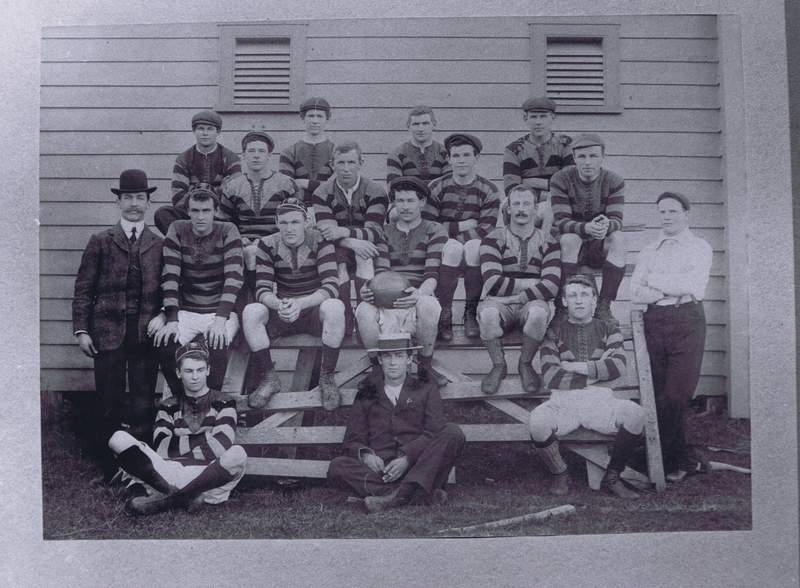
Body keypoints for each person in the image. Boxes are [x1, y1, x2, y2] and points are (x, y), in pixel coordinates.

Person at [72, 169, 165, 481]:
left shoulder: (159, 244)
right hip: (107, 333)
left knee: (142, 399)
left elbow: (169, 288)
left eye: (140, 197)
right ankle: (108, 463)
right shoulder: (100, 241)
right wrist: (82, 330)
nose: (134, 204)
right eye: (128, 198)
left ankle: (143, 463)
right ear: (118, 202)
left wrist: (164, 314)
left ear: (149, 202)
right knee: (108, 400)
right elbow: (84, 289)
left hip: (144, 336)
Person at [528, 275, 645, 498]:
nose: (579, 301)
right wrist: (596, 370)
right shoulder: (554, 333)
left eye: (584, 295)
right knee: (537, 422)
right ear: (564, 301)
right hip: (563, 401)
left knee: (636, 414)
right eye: (572, 295)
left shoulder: (608, 329)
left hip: (600, 401)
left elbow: (618, 365)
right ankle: (560, 473)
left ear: (594, 300)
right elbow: (552, 375)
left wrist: (573, 366)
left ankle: (612, 477)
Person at [327, 333, 465, 513]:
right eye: (387, 356)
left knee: (453, 432)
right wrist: (368, 456)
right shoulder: (367, 393)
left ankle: (394, 497)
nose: (393, 362)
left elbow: (434, 431)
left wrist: (407, 458)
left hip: (419, 466)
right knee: (337, 466)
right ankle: (411, 494)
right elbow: (352, 440)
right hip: (381, 472)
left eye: (399, 356)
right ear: (380, 360)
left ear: (409, 359)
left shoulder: (425, 389)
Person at [108, 340, 247, 516]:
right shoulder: (168, 405)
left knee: (237, 454)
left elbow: (221, 445)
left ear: (208, 370)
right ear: (179, 373)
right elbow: (162, 448)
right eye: (189, 371)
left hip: (207, 475)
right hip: (168, 473)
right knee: (118, 438)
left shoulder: (225, 402)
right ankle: (185, 496)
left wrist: (180, 440)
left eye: (200, 370)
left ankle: (167, 499)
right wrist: (206, 437)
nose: (195, 377)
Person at [630, 191, 712, 482]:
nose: (667, 217)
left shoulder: (699, 247)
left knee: (677, 395)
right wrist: (665, 288)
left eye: (673, 212)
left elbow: (692, 286)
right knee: (658, 394)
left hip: (686, 319)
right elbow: (634, 290)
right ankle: (675, 461)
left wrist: (654, 283)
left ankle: (662, 460)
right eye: (662, 212)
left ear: (686, 214)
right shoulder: (650, 250)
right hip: (655, 321)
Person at [242, 198, 345, 411]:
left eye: (295, 222)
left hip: (313, 309)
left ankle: (327, 378)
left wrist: (301, 303)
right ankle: (269, 378)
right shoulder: (267, 244)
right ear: (277, 223)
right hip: (284, 309)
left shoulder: (319, 241)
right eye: (284, 223)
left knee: (334, 306)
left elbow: (331, 285)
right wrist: (279, 305)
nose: (289, 228)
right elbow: (262, 289)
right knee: (252, 310)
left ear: (306, 221)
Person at [356, 176, 448, 387]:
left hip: (416, 296)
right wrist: (369, 290)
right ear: (394, 203)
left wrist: (419, 294)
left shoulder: (434, 229)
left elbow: (431, 273)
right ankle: (377, 369)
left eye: (410, 201)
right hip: (387, 298)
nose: (405, 206)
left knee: (429, 304)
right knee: (363, 309)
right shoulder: (384, 232)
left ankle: (425, 368)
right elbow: (381, 271)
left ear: (422, 202)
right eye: (400, 201)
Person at [154, 187, 244, 394]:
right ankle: (182, 401)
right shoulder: (177, 229)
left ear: (216, 211)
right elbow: (170, 276)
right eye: (195, 211)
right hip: (188, 309)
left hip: (219, 310)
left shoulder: (227, 230)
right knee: (164, 343)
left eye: (206, 211)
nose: (200, 217)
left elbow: (233, 279)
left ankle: (210, 402)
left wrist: (221, 320)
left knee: (217, 344)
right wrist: (172, 318)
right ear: (188, 211)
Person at [477, 185, 561, 395]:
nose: (521, 209)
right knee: (487, 315)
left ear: (535, 210)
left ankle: (525, 364)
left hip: (529, 304)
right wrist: (534, 283)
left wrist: (518, 296)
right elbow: (493, 282)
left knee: (539, 313)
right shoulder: (493, 238)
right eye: (516, 204)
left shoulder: (548, 241)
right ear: (508, 209)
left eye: (527, 204)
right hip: (498, 302)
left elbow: (551, 285)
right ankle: (498, 365)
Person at [426, 133, 501, 341]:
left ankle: (470, 312)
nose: (461, 160)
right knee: (452, 248)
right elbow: (428, 224)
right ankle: (445, 314)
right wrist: (459, 226)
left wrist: (452, 233)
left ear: (476, 158)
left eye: (467, 155)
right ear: (449, 159)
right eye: (456, 155)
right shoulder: (437, 186)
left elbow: (486, 227)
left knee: (474, 246)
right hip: (443, 248)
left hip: (472, 249)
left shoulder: (489, 190)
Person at [549, 133, 626, 326]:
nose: (587, 162)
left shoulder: (614, 180)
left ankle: (604, 305)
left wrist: (606, 225)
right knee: (570, 239)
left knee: (619, 239)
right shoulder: (561, 179)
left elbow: (617, 219)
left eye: (593, 156)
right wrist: (587, 228)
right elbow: (561, 221)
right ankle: (562, 307)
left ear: (602, 157)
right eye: (582, 157)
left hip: (597, 244)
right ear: (574, 158)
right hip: (569, 248)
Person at [313, 141, 389, 334]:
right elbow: (327, 231)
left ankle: (366, 316)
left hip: (369, 246)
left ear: (360, 163)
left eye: (351, 162)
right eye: (341, 163)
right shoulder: (322, 192)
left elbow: (375, 231)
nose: (346, 169)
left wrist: (345, 232)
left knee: (364, 255)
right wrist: (350, 241)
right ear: (332, 164)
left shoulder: (375, 190)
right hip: (341, 246)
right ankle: (346, 316)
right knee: (336, 260)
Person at [218, 129, 299, 298]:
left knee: (255, 253)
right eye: (251, 151)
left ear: (269, 155)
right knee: (248, 253)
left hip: (279, 243)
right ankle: (249, 306)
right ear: (243, 155)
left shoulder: (285, 184)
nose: (256, 156)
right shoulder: (233, 186)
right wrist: (238, 239)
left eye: (261, 151)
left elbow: (296, 221)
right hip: (244, 244)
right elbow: (223, 224)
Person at [154, 109, 241, 234]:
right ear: (194, 131)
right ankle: (188, 242)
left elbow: (234, 196)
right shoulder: (183, 159)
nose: (205, 133)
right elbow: (178, 199)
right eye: (201, 128)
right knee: (162, 214)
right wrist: (218, 190)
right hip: (192, 214)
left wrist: (195, 189)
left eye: (210, 129)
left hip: (219, 215)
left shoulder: (231, 158)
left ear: (218, 132)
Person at [502, 96, 573, 199]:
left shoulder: (565, 145)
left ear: (553, 117)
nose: (538, 122)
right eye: (533, 117)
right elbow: (511, 190)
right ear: (525, 118)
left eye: (543, 116)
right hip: (526, 205)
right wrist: (549, 192)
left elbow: (570, 185)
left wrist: (533, 182)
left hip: (559, 205)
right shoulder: (514, 149)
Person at [279, 97, 335, 206]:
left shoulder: (336, 152)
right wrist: (321, 185)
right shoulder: (289, 152)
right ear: (303, 118)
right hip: (298, 209)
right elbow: (288, 186)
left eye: (319, 116)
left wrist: (305, 183)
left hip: (330, 209)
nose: (315, 121)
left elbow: (337, 187)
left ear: (327, 119)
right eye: (311, 116)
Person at [386, 105, 450, 184]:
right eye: (416, 124)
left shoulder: (445, 153)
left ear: (434, 125)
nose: (420, 129)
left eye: (425, 123)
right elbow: (394, 187)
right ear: (408, 126)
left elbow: (449, 186)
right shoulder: (397, 154)